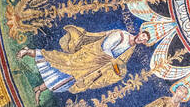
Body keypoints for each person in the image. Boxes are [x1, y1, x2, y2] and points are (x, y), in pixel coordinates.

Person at [20, 26, 150, 96]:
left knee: (71, 78)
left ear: (144, 43)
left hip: (98, 66)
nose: (141, 39)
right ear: (139, 32)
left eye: (144, 40)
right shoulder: (121, 35)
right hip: (91, 55)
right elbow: (105, 47)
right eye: (143, 36)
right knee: (64, 62)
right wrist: (112, 61)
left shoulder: (131, 48)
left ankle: (40, 89)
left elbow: (121, 62)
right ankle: (29, 51)